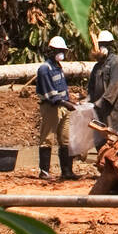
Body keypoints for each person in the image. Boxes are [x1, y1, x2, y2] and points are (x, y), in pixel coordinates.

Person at [36, 36, 78, 180]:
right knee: (47, 138)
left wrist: (69, 102)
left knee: (65, 139)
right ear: (52, 51)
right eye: (60, 51)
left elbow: (62, 89)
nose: (62, 53)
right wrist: (67, 104)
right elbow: (51, 94)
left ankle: (67, 171)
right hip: (51, 107)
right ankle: (44, 171)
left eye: (63, 51)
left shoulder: (58, 67)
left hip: (63, 107)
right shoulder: (44, 69)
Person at [87, 29, 118, 138]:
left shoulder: (116, 62)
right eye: (101, 44)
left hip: (114, 110)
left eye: (105, 44)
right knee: (100, 139)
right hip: (100, 110)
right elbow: (91, 87)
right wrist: (87, 102)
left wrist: (100, 103)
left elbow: (115, 85)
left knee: (114, 138)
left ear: (110, 46)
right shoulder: (98, 66)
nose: (102, 47)